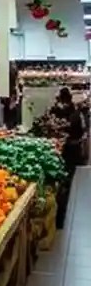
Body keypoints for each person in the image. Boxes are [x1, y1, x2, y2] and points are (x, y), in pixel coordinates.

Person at [53, 87, 85, 229]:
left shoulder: (70, 114)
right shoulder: (76, 112)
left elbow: (69, 128)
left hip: (69, 149)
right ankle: (61, 216)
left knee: (65, 182)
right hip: (72, 149)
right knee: (67, 180)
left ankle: (60, 218)